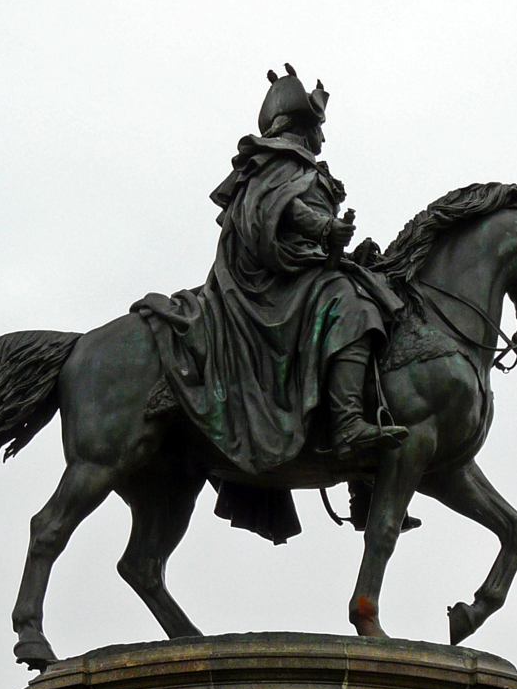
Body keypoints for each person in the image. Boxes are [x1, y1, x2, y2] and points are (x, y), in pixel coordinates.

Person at [134, 65, 406, 481]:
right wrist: (325, 228)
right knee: (351, 305)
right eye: (319, 126)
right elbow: (277, 207)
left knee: (371, 290)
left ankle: (363, 472)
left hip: (299, 269)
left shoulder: (301, 166)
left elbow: (306, 231)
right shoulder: (277, 160)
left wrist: (342, 247)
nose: (323, 137)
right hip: (267, 280)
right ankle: (347, 423)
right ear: (302, 126)